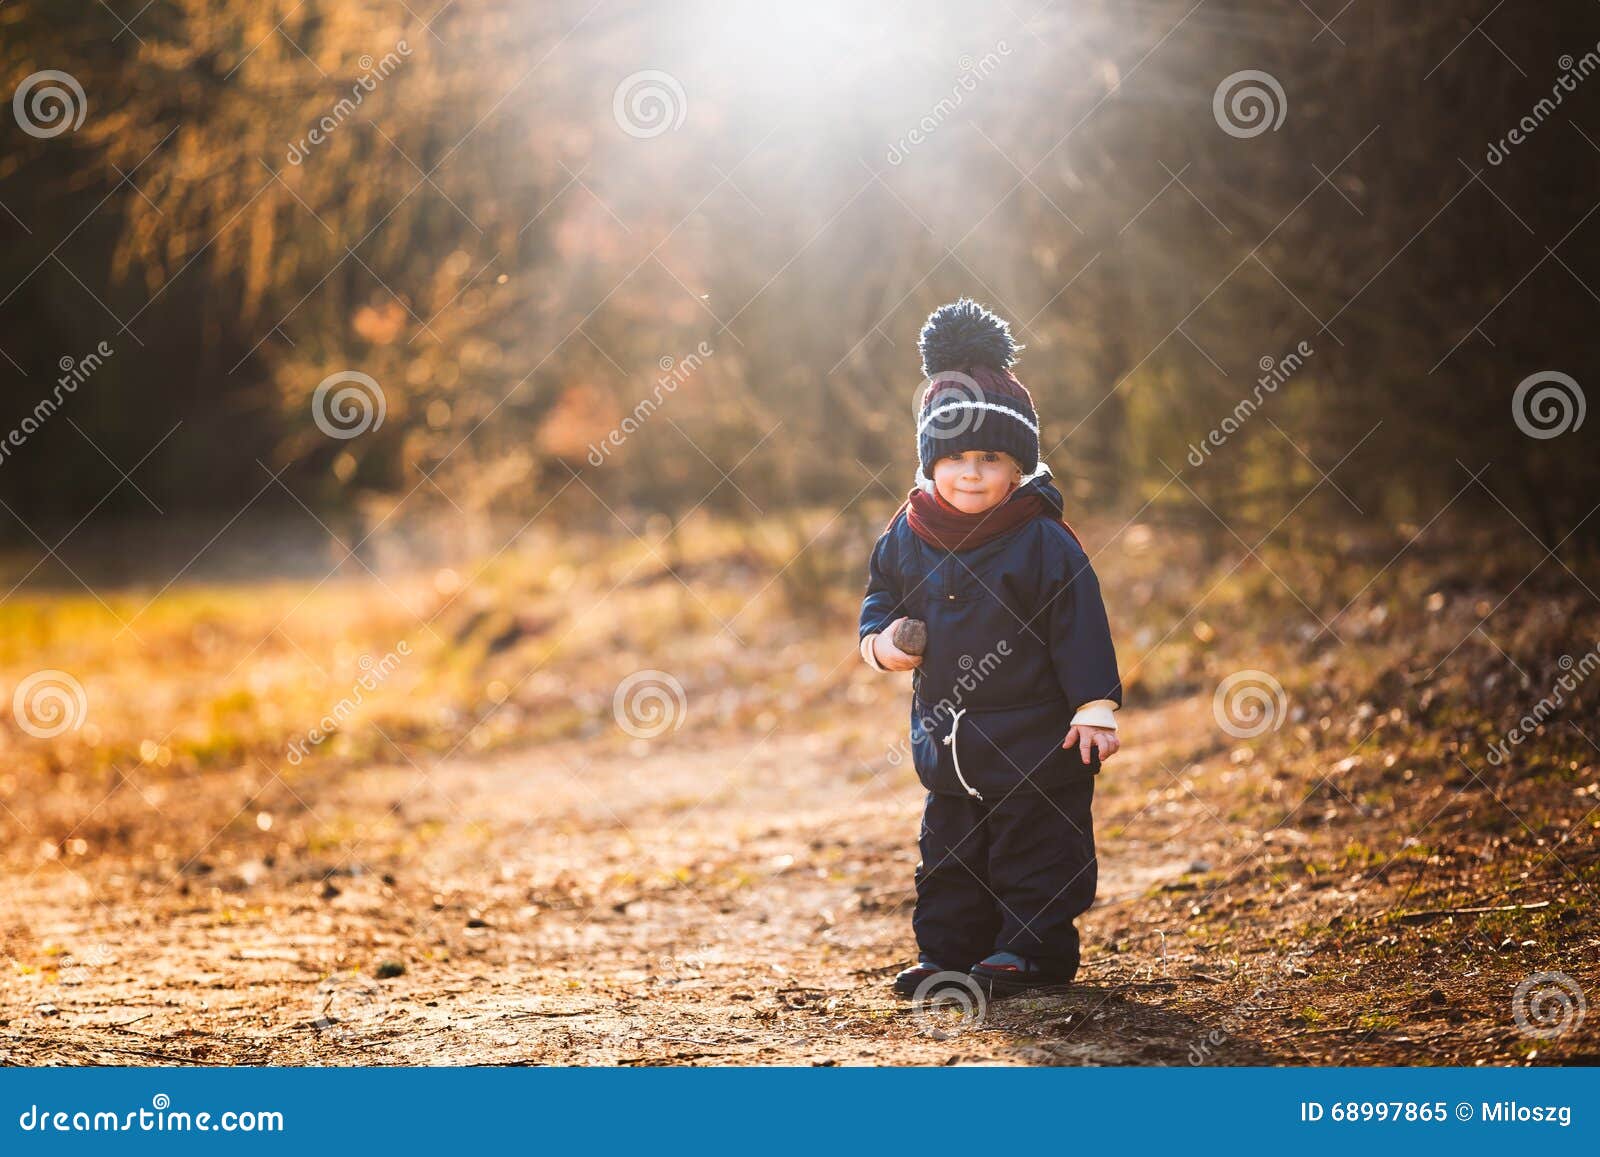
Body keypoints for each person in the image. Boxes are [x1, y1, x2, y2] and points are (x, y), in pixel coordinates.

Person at [858, 298, 1123, 999]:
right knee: (948, 858)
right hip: (949, 749)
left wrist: (1094, 705)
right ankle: (949, 952)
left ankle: (1031, 951)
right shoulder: (911, 531)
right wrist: (881, 644)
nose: (970, 474)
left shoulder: (1040, 539)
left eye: (990, 458)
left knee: (1035, 852)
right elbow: (880, 595)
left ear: (1019, 467)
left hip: (1037, 746)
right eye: (953, 458)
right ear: (929, 462)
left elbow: (1080, 625)